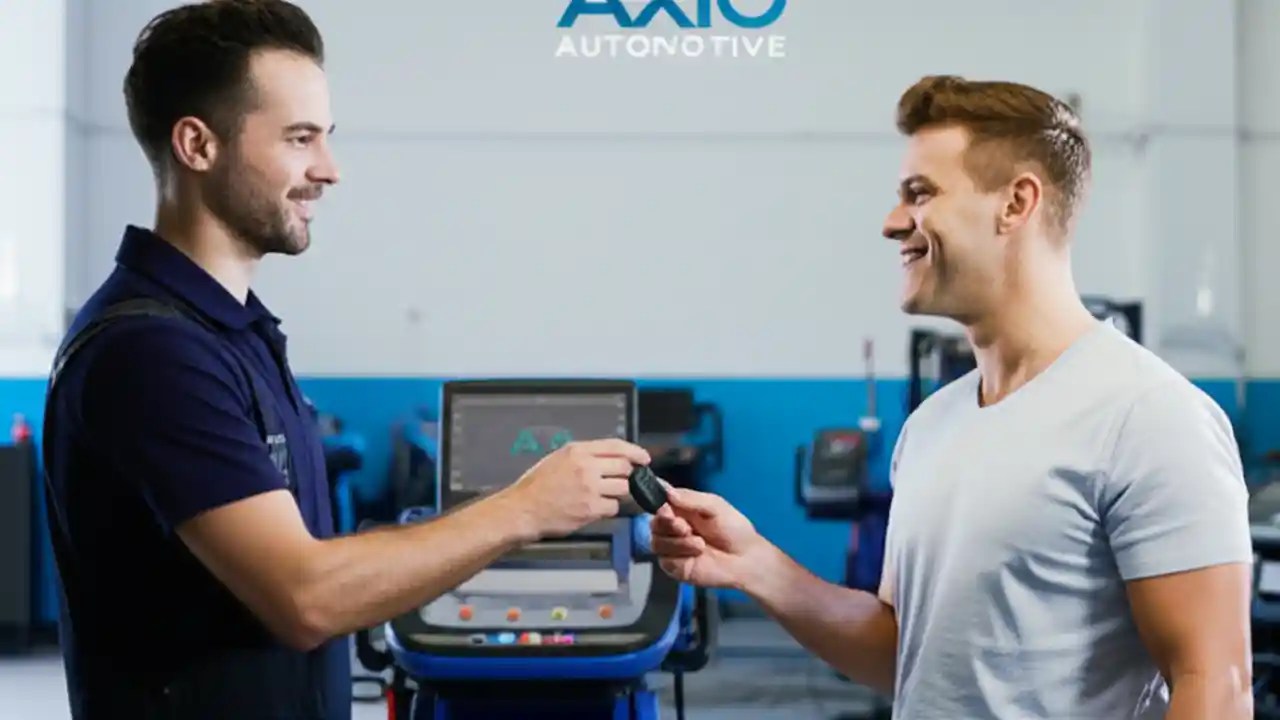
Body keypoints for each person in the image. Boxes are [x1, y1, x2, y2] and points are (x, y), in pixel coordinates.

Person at [40, 2, 650, 719]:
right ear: (197, 146)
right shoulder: (148, 354)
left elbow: (310, 557)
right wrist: (524, 509)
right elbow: (306, 595)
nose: (329, 171)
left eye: (326, 138)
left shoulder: (231, 335)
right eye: (300, 139)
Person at [651, 75, 1254, 719]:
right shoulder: (933, 424)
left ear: (1015, 204)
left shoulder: (1149, 416)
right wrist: (758, 567)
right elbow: (902, 654)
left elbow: (1213, 686)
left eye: (920, 194)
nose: (891, 223)